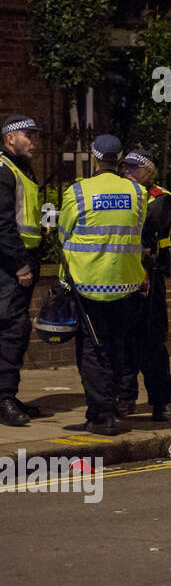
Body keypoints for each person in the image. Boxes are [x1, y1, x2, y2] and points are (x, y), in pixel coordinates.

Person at [59, 135, 148, 436]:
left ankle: (101, 415)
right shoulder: (138, 192)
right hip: (125, 284)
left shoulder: (77, 192)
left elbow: (63, 234)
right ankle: (116, 404)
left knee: (93, 351)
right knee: (117, 347)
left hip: (88, 285)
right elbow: (138, 230)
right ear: (120, 159)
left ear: (94, 158)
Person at [120, 149, 171, 422]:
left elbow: (150, 228)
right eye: (125, 167)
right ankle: (125, 397)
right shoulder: (120, 194)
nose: (128, 172)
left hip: (149, 277)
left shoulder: (161, 199)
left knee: (151, 341)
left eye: (134, 168)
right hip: (120, 276)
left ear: (149, 171)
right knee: (124, 340)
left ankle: (160, 400)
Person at [0, 115, 46, 427]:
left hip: (18, 261)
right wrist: (20, 265)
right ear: (9, 137)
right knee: (11, 330)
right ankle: (4, 399)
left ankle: (7, 395)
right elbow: (2, 224)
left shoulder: (18, 169)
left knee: (15, 330)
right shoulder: (4, 171)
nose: (33, 140)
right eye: (27, 134)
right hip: (9, 265)